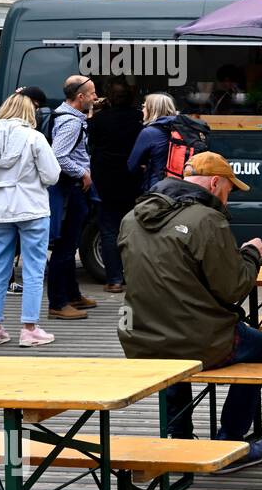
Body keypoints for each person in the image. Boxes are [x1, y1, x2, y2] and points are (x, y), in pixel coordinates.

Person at [117, 151, 262, 471]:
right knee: (260, 344)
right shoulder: (206, 220)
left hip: (138, 338)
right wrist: (250, 254)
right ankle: (230, 443)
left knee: (172, 343)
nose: (228, 199)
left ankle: (180, 436)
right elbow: (234, 288)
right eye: (229, 190)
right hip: (197, 341)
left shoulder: (131, 217)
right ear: (215, 183)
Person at [0, 93, 60, 347]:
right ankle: (30, 328)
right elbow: (52, 175)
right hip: (32, 208)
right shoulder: (34, 137)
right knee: (33, 268)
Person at [46, 75, 98, 320]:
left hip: (69, 189)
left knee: (69, 245)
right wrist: (83, 173)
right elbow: (58, 156)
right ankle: (58, 302)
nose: (95, 97)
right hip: (71, 189)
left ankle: (73, 295)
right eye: (92, 93)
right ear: (81, 97)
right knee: (66, 247)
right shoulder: (72, 123)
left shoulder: (63, 115)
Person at [88, 82, 143, 293]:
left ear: (109, 98)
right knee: (134, 229)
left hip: (105, 179)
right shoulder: (139, 119)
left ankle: (114, 280)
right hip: (132, 179)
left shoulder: (100, 119)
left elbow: (90, 145)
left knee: (109, 229)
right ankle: (134, 276)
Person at [128, 92, 181, 191]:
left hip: (157, 188)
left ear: (152, 109)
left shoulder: (149, 133)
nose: (142, 110)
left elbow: (131, 166)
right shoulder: (181, 129)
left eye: (144, 107)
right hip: (181, 186)